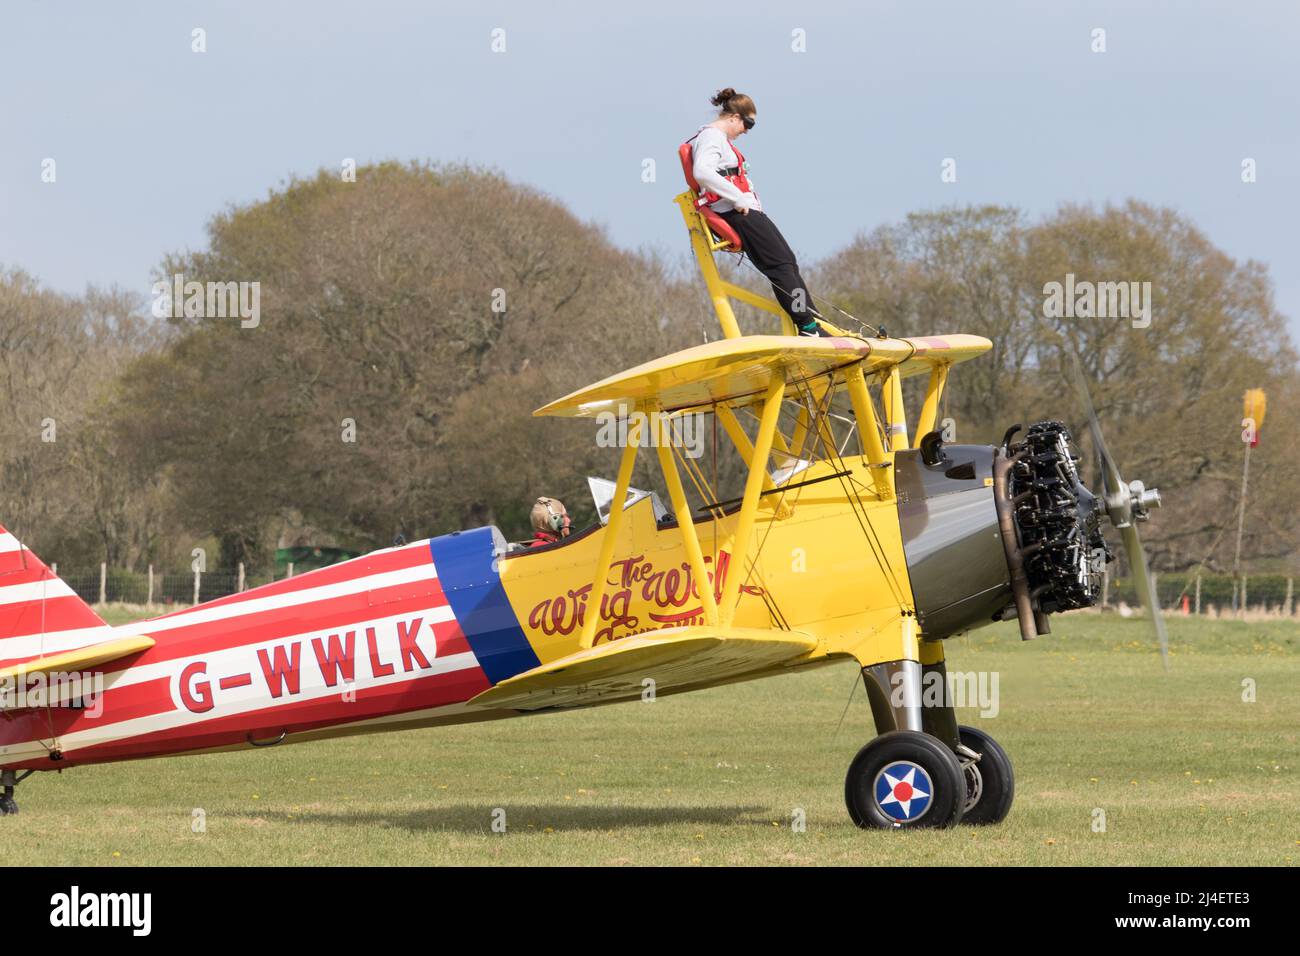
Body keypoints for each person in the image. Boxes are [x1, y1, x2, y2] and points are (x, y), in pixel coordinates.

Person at [685, 87, 829, 336]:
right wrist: (737, 197)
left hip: (743, 210)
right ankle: (807, 327)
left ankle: (815, 324)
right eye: (747, 123)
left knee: (787, 262)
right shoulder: (712, 137)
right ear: (734, 117)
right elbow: (702, 172)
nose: (747, 131)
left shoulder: (720, 139)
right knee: (781, 266)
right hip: (736, 212)